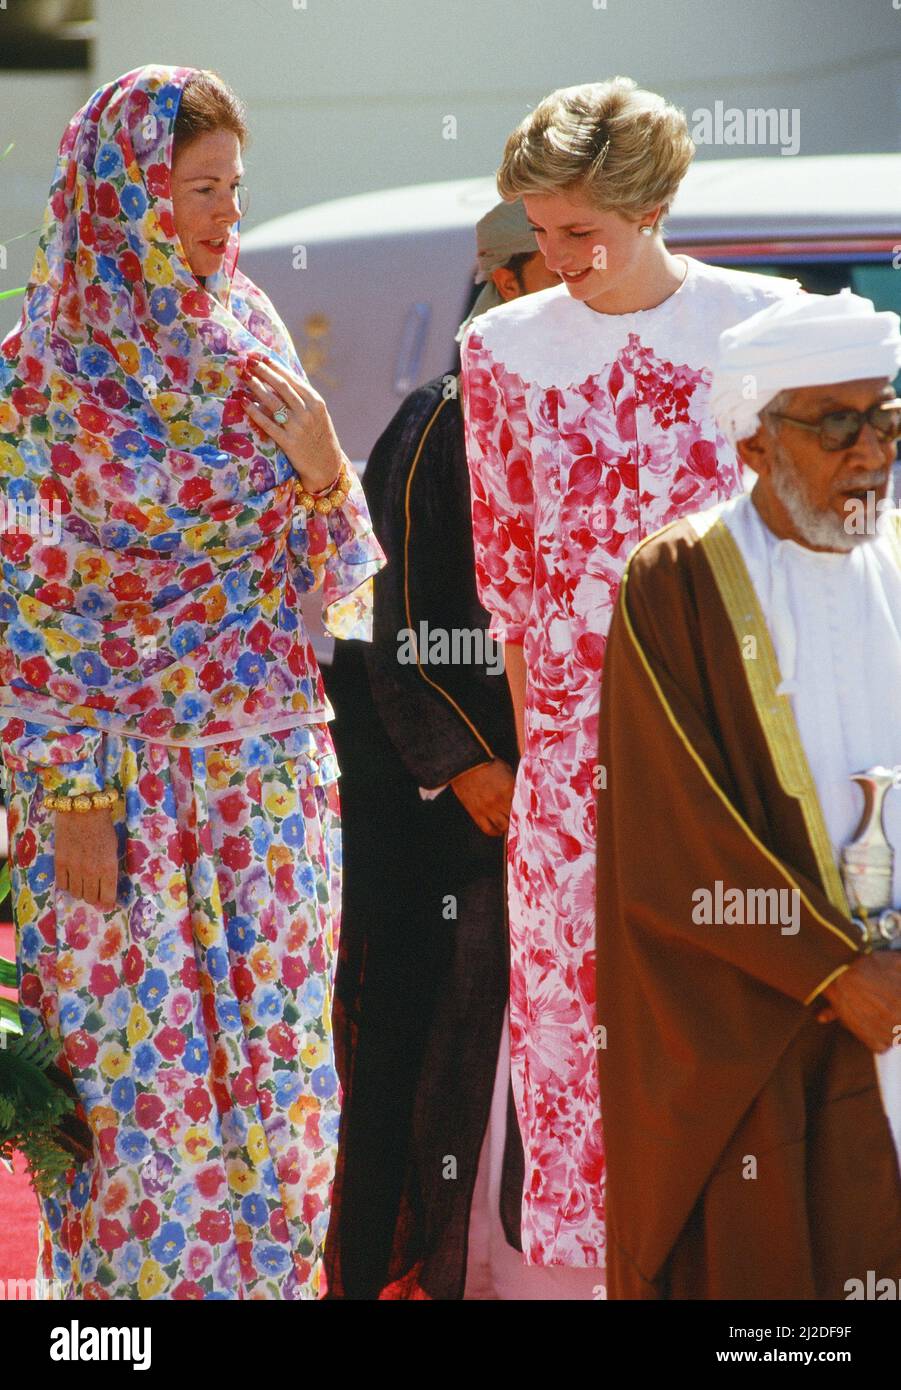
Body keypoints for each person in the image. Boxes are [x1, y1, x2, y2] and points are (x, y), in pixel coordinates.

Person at [0, 65, 384, 1300]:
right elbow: (24, 601)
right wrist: (64, 793)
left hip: (267, 774)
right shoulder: (37, 370)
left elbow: (340, 590)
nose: (228, 216)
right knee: (129, 1112)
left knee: (279, 1083)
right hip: (101, 786)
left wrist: (328, 465)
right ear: (122, 194)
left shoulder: (252, 331)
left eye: (235, 188)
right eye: (199, 189)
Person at [459, 75, 800, 1275]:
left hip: (737, 762)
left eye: (575, 232)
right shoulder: (494, 351)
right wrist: (546, 775)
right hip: (570, 777)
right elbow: (506, 590)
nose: (550, 259)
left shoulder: (765, 330)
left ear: (650, 203)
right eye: (535, 233)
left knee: (735, 1050)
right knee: (583, 1078)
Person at [595, 289, 901, 1299]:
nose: (869, 452)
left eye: (885, 420)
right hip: (770, 1006)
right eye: (835, 425)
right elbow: (670, 830)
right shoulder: (678, 580)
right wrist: (830, 972)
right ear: (757, 441)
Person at [326, 201, 560, 1300]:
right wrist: (469, 765)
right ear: (509, 280)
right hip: (430, 812)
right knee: (413, 1055)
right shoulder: (448, 415)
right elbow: (397, 622)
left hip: (527, 800)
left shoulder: (557, 404)